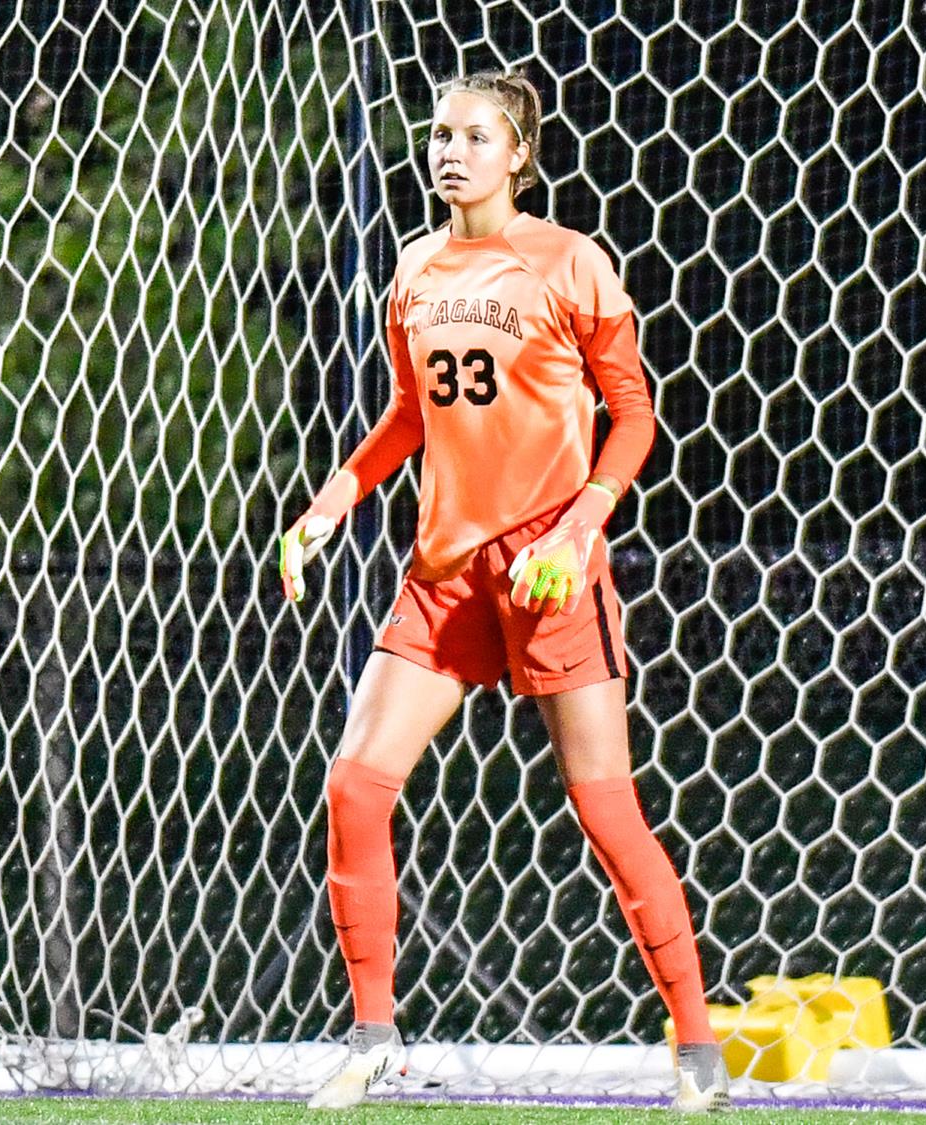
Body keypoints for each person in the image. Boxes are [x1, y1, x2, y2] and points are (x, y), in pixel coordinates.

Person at [275, 70, 727, 1112]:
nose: (450, 151)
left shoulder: (570, 262)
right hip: (443, 571)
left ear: (516, 154)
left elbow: (634, 416)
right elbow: (405, 415)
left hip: (550, 566)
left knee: (605, 809)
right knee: (355, 785)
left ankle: (696, 1048)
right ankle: (371, 1036)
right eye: (439, 135)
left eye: (475, 136)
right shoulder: (415, 267)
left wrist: (577, 530)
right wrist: (331, 501)